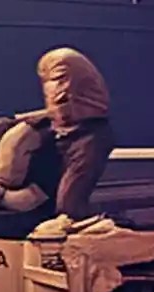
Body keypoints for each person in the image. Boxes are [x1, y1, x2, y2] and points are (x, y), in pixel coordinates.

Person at [33, 46, 114, 220]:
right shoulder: (63, 73)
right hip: (66, 133)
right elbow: (58, 110)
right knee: (49, 196)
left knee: (68, 204)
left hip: (87, 134)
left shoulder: (65, 72)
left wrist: (19, 119)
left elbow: (61, 109)